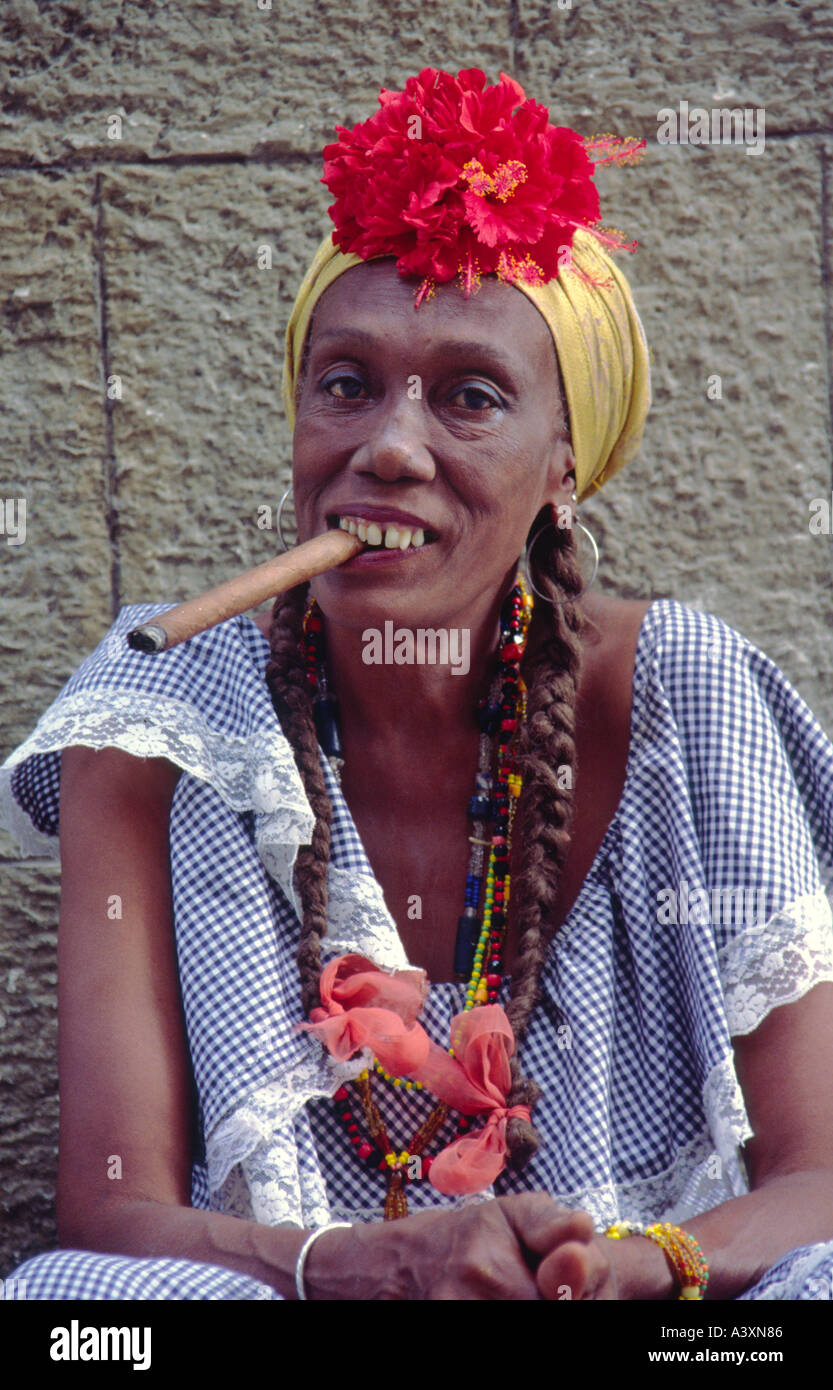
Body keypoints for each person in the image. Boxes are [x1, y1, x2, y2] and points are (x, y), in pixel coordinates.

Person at [2, 67, 833, 1302]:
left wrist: (629, 1269)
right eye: (345, 383)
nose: (386, 445)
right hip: (311, 1299)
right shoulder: (153, 712)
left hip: (654, 1316)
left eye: (469, 397)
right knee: (66, 1314)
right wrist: (361, 1265)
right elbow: (112, 1207)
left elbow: (820, 1177)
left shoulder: (680, 691)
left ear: (564, 466)